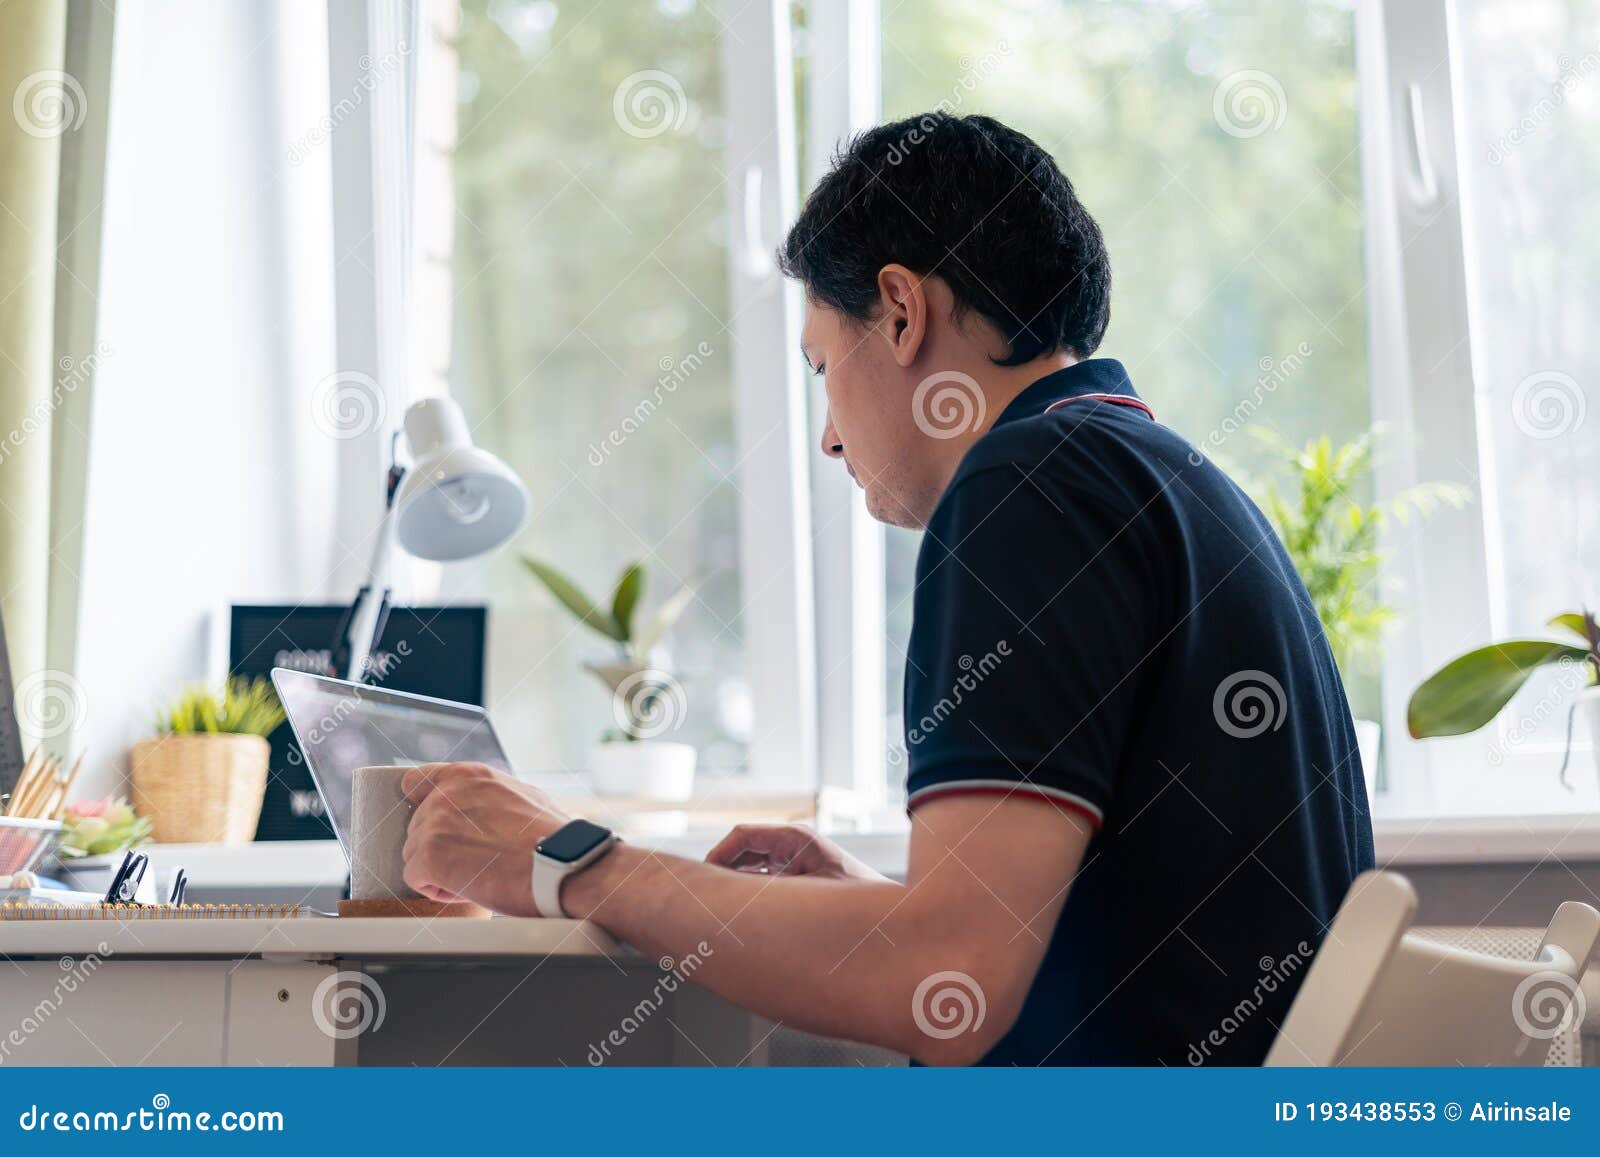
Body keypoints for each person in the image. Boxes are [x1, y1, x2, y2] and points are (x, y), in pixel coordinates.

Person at [400, 111, 1374, 1066]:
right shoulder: (1157, 473)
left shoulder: (1025, 484)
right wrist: (878, 903)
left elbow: (941, 988)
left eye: (822, 365)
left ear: (901, 311)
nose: (827, 434)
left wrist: (562, 855)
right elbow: (1031, 957)